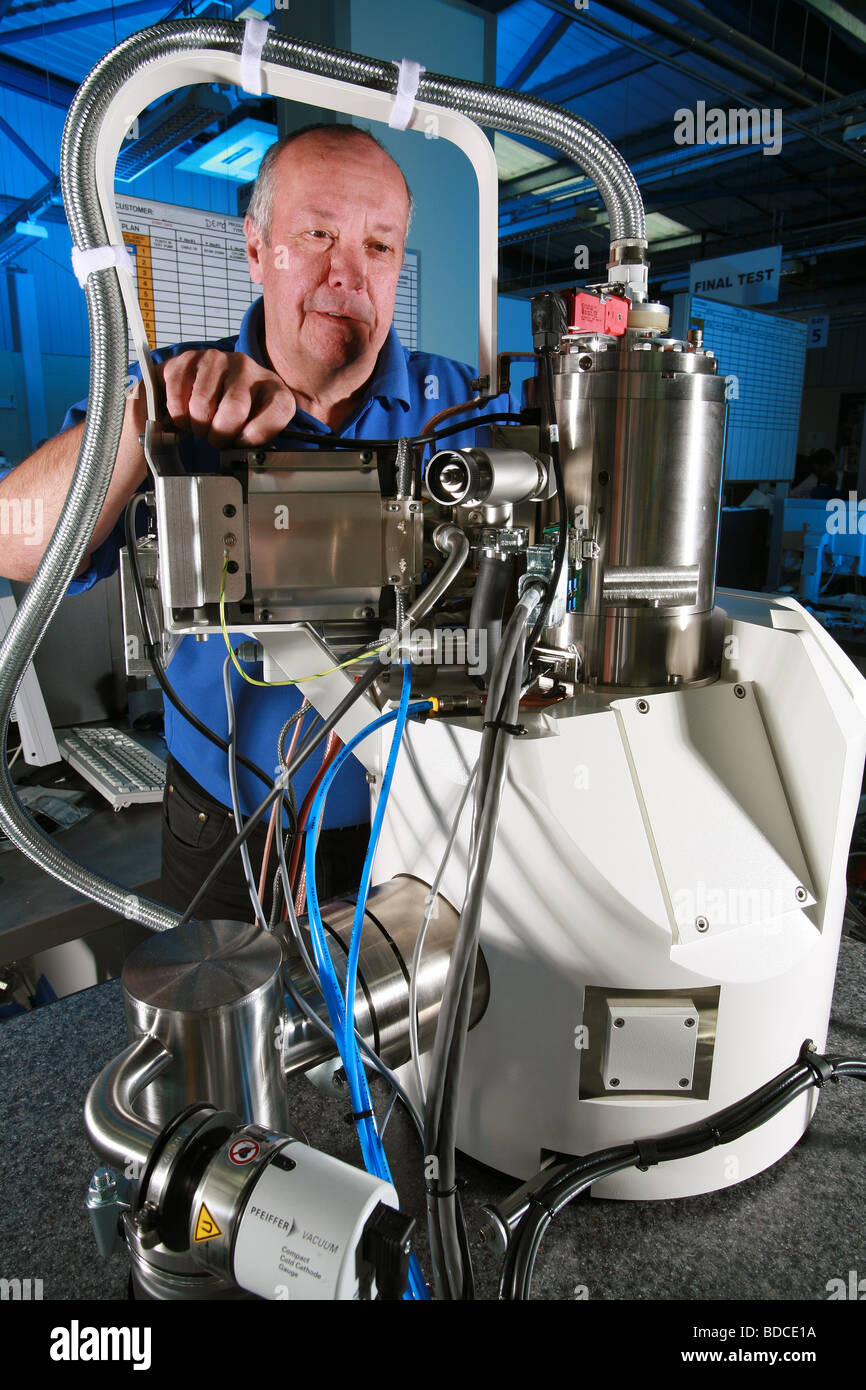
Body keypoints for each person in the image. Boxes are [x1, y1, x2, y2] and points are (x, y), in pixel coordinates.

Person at [0, 123, 511, 919]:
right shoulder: (172, 398)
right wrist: (147, 412)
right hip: (221, 832)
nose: (348, 273)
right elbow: (17, 539)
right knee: (225, 1039)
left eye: (379, 247)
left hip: (416, 835)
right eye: (317, 234)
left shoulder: (476, 415)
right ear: (255, 247)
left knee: (402, 1038)